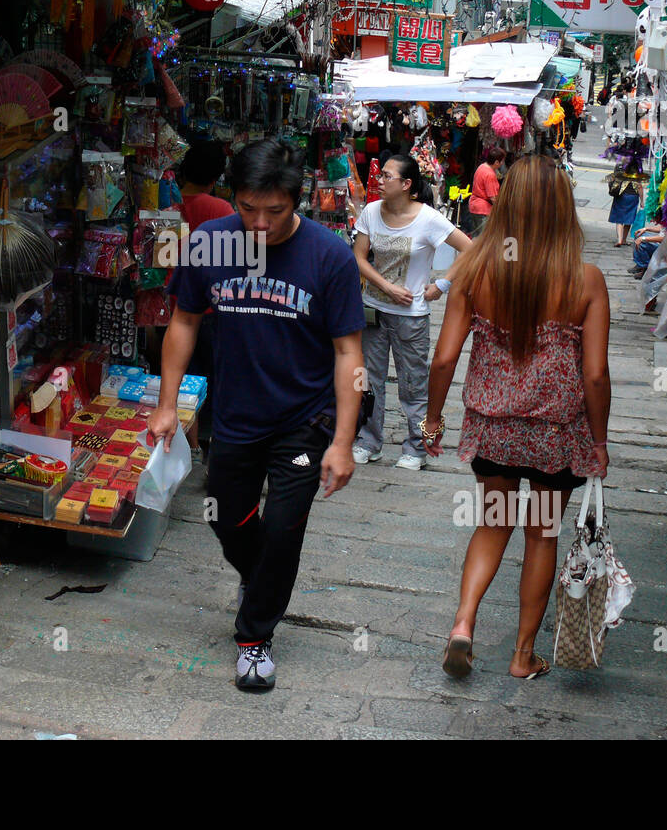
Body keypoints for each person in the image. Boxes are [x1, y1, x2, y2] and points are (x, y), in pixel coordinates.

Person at [148, 139, 365, 692]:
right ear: (233, 197)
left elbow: (348, 353)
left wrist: (342, 441)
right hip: (237, 415)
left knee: (286, 529)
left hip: (305, 419)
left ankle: (254, 640)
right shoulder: (211, 243)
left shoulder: (329, 256)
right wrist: (168, 406)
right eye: (248, 208)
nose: (260, 223)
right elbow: (184, 321)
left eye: (275, 210)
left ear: (298, 199)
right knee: (223, 516)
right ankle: (261, 576)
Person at [420, 155, 610, 681]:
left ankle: (463, 625)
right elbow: (594, 376)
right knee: (541, 534)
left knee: (492, 522)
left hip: (493, 428)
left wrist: (433, 421)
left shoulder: (477, 271)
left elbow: (443, 358)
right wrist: (599, 442)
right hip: (555, 435)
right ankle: (523, 657)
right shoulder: (585, 280)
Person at [352, 154, 471, 470]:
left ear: (406, 184)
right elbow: (359, 258)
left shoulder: (429, 219)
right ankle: (368, 441)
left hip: (412, 317)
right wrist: (386, 287)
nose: (380, 180)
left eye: (387, 176)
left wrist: (442, 284)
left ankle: (416, 448)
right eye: (380, 175)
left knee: (413, 382)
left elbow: (470, 248)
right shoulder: (370, 212)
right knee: (370, 380)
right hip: (373, 311)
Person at [176, 139, 233, 457]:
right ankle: (210, 445)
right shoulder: (221, 211)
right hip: (211, 312)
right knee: (211, 379)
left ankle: (188, 444)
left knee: (181, 379)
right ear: (216, 177)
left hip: (172, 309)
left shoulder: (170, 205)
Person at [467, 146, 505, 236]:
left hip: (475, 206)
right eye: (502, 161)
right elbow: (493, 197)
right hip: (483, 209)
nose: (503, 163)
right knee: (483, 238)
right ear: (496, 162)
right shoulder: (490, 174)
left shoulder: (482, 166)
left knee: (476, 237)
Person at [609, 177, 642, 247]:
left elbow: (612, 180)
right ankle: (624, 240)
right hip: (633, 197)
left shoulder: (620, 167)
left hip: (621, 195)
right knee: (629, 218)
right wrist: (642, 201)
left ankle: (619, 240)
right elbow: (639, 187)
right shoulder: (636, 171)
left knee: (619, 219)